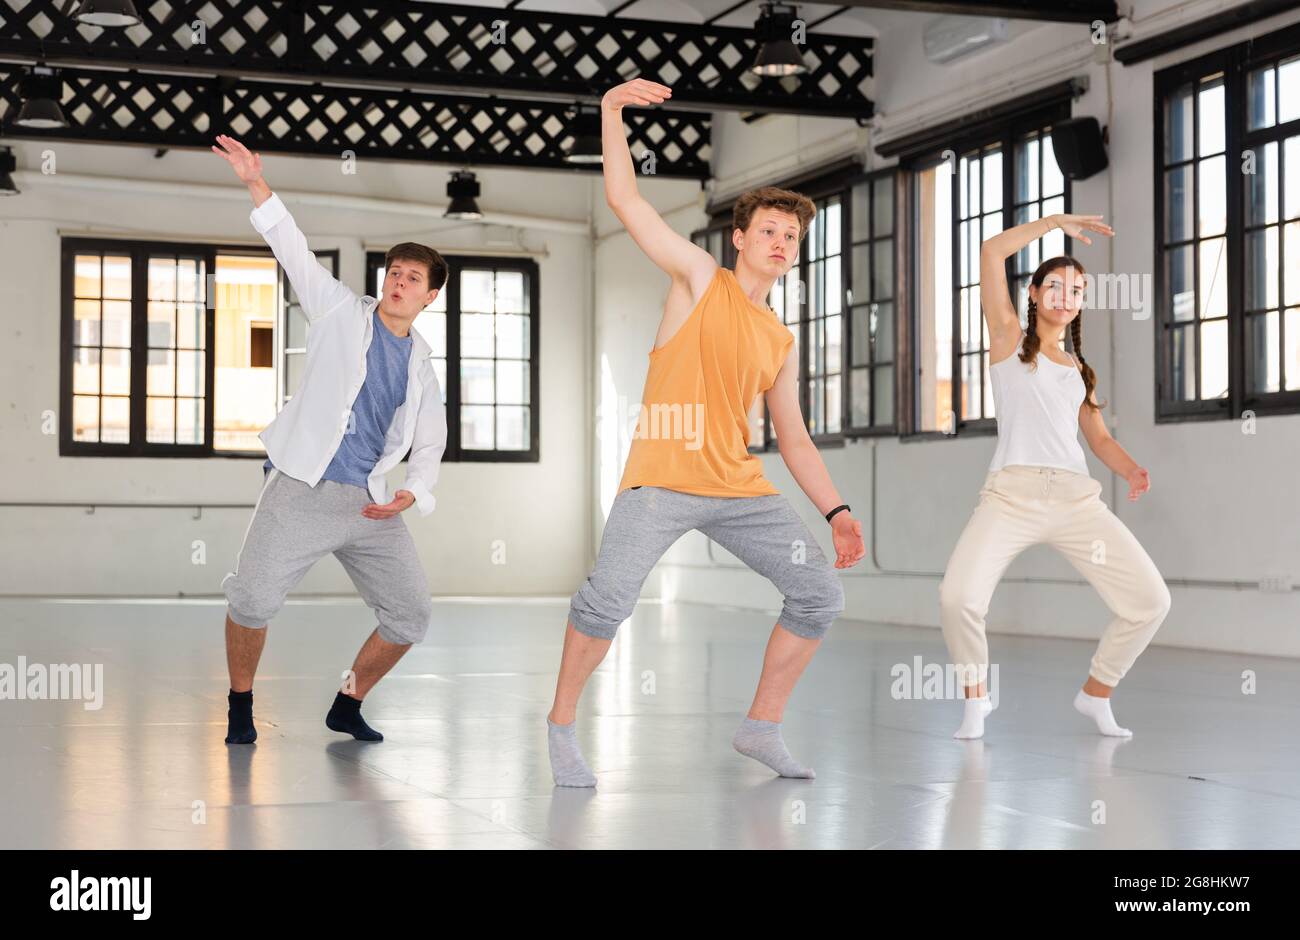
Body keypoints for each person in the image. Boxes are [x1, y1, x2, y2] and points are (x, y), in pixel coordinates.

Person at [546, 80, 867, 787]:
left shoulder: (779, 338)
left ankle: (761, 728)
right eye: (770, 231)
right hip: (660, 482)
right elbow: (626, 202)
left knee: (819, 594)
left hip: (737, 488)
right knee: (607, 601)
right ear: (740, 238)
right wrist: (610, 111)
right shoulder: (698, 279)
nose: (781, 242)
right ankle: (561, 727)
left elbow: (795, 439)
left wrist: (837, 512)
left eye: (792, 236)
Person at [212, 134, 448, 744]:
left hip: (369, 503)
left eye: (412, 278)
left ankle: (348, 702)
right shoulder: (340, 310)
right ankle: (240, 705)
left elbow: (430, 443)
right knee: (252, 600)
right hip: (301, 486)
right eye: (393, 273)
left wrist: (414, 493)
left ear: (430, 296)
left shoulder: (422, 366)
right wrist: (255, 182)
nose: (398, 282)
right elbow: (291, 249)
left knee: (410, 614)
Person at [938, 212, 1172, 740]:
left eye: (1077, 290)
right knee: (958, 597)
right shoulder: (1007, 339)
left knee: (1150, 601)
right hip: (1010, 497)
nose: (1067, 297)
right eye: (1056, 286)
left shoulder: (1079, 371)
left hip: (1074, 501)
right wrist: (1053, 222)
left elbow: (1099, 440)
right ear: (1034, 293)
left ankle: (1096, 694)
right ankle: (976, 701)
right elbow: (991, 251)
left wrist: (1132, 469)